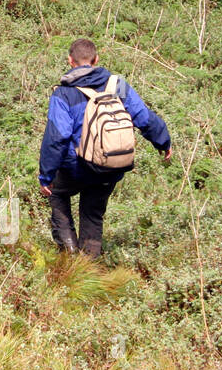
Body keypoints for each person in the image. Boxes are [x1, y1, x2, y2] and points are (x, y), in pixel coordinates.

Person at [38, 37, 172, 258]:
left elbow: (57, 138)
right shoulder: (116, 84)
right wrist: (163, 142)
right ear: (96, 59)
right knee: (92, 213)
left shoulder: (63, 93)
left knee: (57, 194)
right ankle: (89, 265)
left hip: (76, 167)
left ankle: (69, 255)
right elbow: (144, 118)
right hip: (111, 164)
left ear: (70, 60)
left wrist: (46, 177)